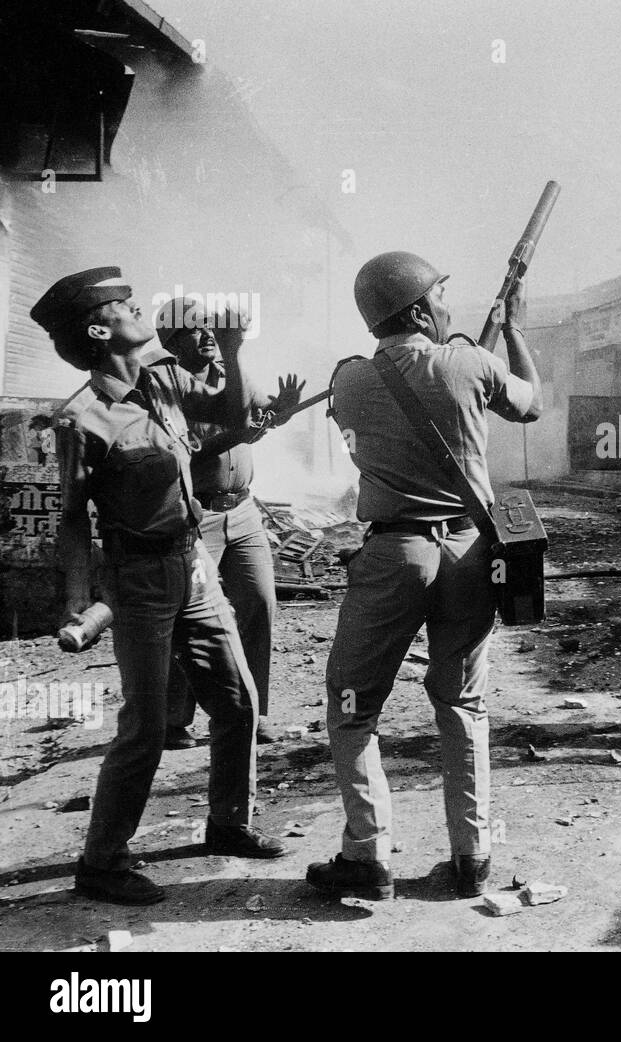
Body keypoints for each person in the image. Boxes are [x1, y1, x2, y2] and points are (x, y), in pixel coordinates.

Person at [33, 267, 286, 906]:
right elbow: (70, 521)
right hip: (137, 577)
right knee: (146, 727)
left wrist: (231, 349)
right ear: (99, 329)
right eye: (125, 305)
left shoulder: (165, 379)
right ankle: (101, 862)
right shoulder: (83, 420)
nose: (138, 307)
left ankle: (228, 822)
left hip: (193, 559)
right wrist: (74, 603)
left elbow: (235, 415)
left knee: (237, 701)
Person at [306, 251, 541, 902]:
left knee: (353, 707)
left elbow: (372, 420)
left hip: (394, 554)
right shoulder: (471, 362)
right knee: (462, 703)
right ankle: (472, 857)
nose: (447, 307)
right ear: (415, 309)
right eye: (440, 295)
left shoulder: (349, 380)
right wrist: (511, 333)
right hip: (468, 554)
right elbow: (530, 403)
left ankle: (367, 855)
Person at [155, 297, 305, 750]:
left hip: (243, 512)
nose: (208, 337)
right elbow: (189, 453)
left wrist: (283, 408)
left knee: (259, 605)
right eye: (195, 331)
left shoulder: (230, 376)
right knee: (188, 619)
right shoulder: (168, 388)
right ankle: (173, 721)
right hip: (195, 517)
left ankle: (255, 716)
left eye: (210, 328)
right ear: (172, 342)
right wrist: (241, 434)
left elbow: (261, 411)